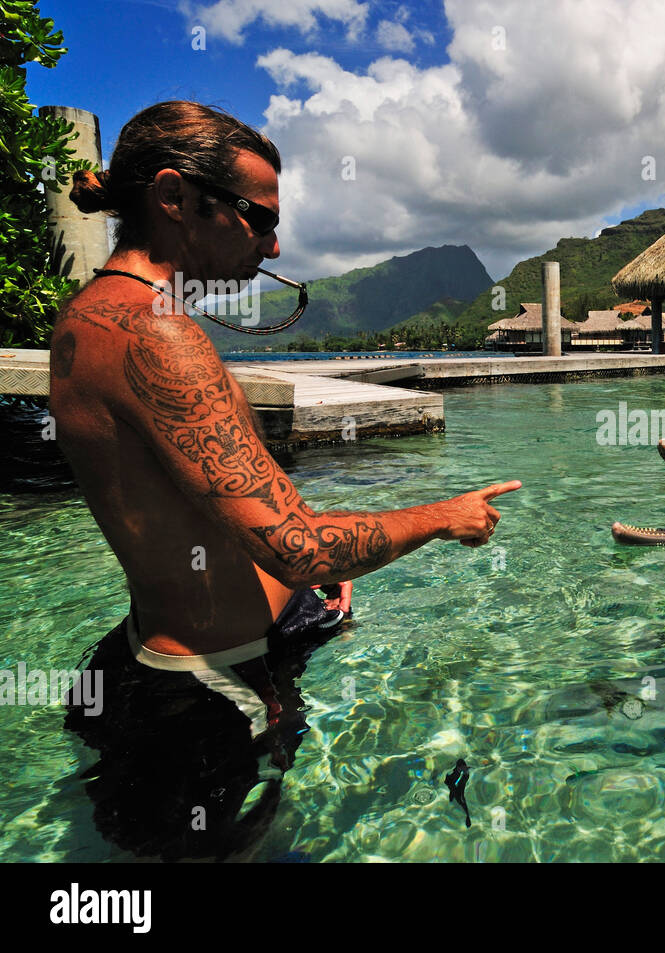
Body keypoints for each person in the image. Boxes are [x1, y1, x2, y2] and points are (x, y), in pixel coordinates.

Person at [49, 101, 519, 856]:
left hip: (153, 652)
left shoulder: (86, 317)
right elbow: (298, 545)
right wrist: (442, 516)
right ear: (174, 198)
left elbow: (213, 515)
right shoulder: (160, 339)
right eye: (255, 217)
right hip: (209, 686)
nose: (273, 241)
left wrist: (295, 588)